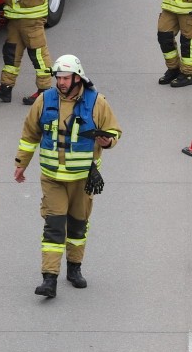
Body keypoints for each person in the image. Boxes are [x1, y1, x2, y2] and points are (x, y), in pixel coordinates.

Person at [13, 54, 122, 298]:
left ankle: (74, 268)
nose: (60, 82)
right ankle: (49, 279)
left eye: (65, 78)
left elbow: (114, 131)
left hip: (82, 179)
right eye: (58, 78)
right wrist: (21, 163)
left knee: (78, 225)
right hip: (52, 178)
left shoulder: (97, 102)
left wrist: (108, 140)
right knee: (53, 227)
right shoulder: (44, 100)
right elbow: (30, 134)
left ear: (77, 77)